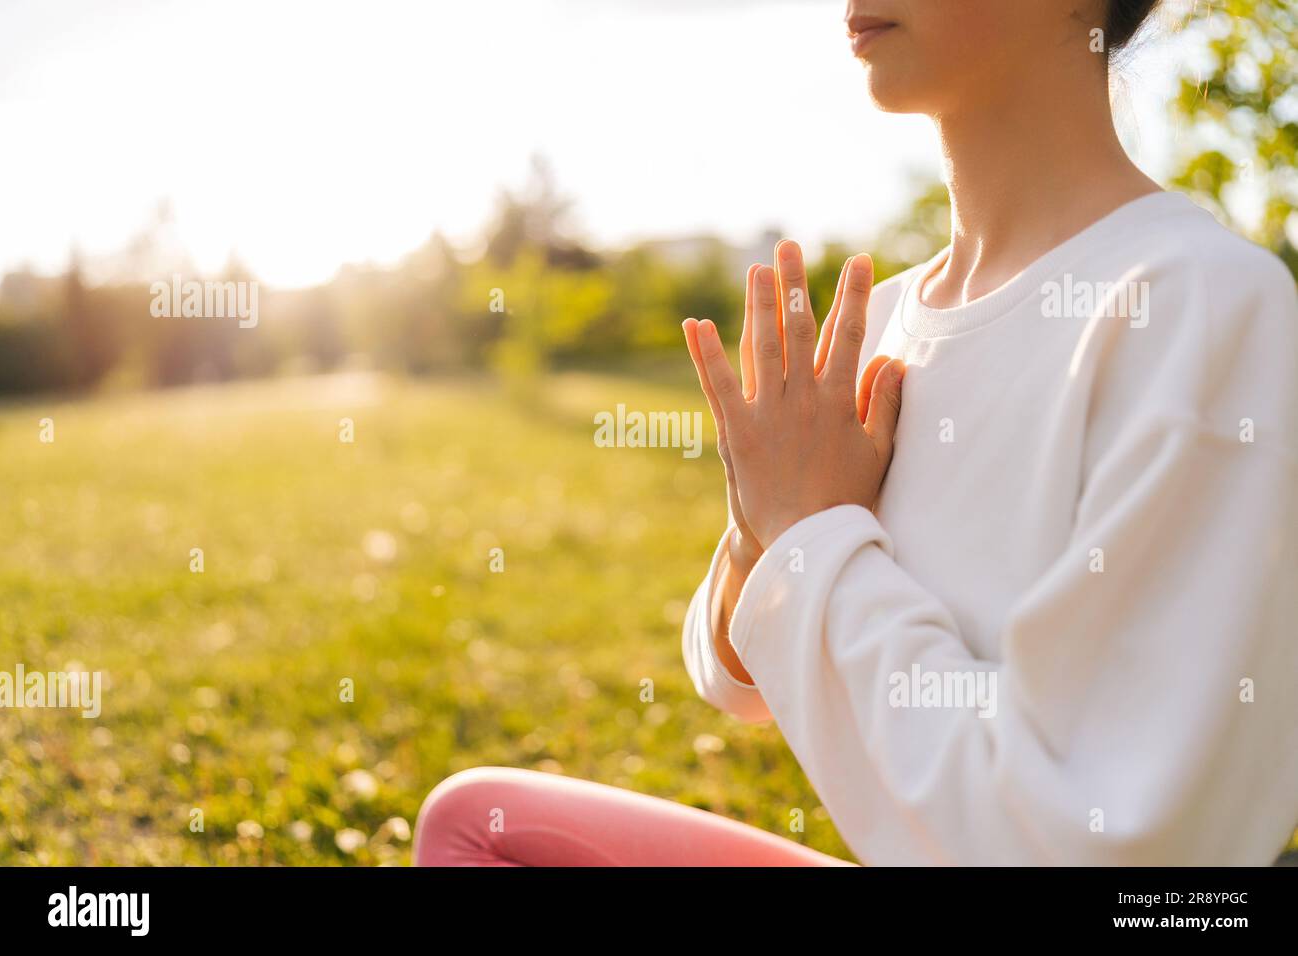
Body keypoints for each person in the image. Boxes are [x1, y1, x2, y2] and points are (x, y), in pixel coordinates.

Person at [414, 0, 1298, 866]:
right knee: (476, 822)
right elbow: (734, 677)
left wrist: (810, 530)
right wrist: (761, 522)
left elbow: (1119, 850)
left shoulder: (1202, 304)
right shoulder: (877, 321)